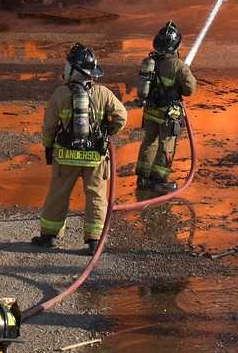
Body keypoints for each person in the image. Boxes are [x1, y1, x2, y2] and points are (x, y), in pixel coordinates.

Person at [32, 43, 128, 253]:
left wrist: (48, 147)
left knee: (58, 194)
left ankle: (49, 236)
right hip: (95, 157)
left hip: (65, 155)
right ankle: (94, 241)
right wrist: (108, 131)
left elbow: (49, 125)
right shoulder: (103, 93)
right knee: (95, 195)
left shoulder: (60, 94)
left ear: (73, 70)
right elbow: (122, 116)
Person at [134, 21, 197, 198]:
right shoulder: (178, 66)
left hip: (150, 111)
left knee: (149, 142)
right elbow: (190, 89)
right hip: (168, 114)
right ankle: (159, 181)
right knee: (166, 146)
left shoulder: (150, 61)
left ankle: (143, 178)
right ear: (175, 45)